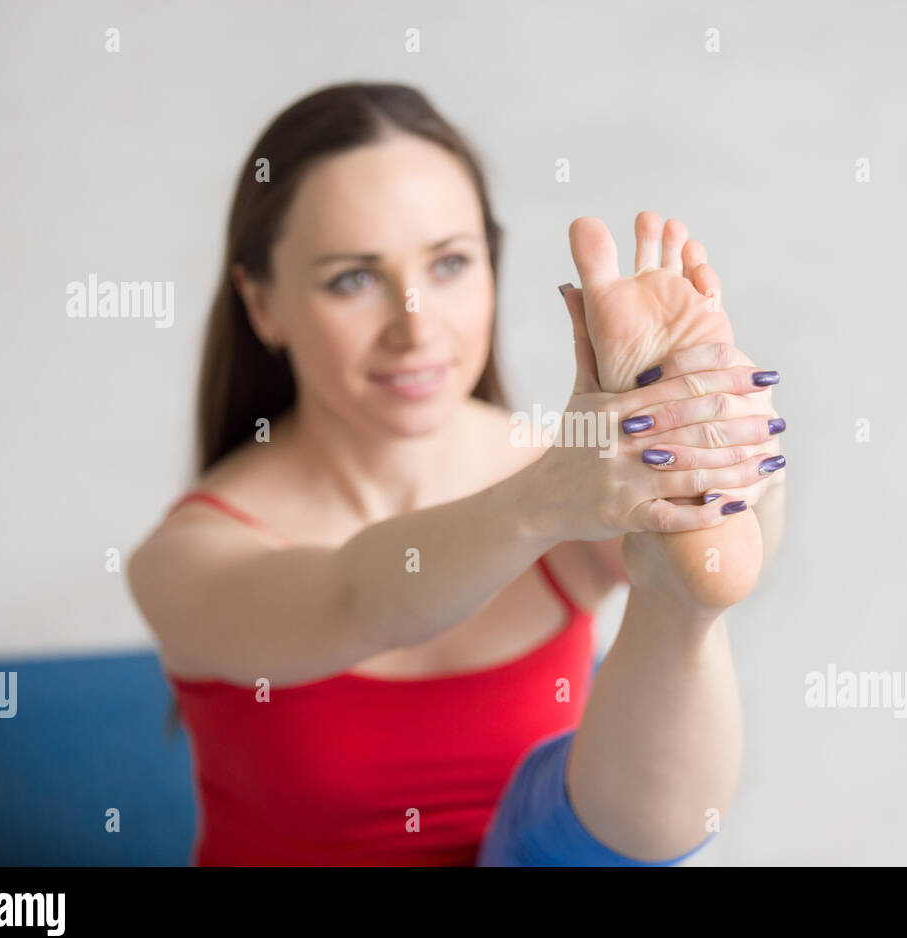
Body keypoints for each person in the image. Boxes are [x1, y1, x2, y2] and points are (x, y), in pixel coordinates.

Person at [126, 82, 787, 866]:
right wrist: (540, 503)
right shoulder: (187, 558)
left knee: (582, 826)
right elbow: (358, 598)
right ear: (262, 303)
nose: (416, 326)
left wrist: (715, 453)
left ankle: (683, 598)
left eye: (449, 264)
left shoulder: (578, 475)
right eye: (353, 279)